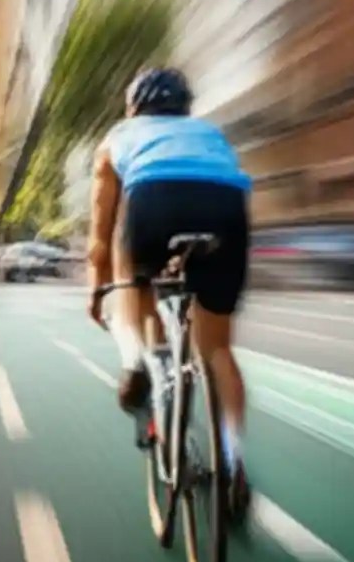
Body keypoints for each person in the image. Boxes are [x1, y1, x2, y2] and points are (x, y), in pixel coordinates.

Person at [86, 67, 253, 514]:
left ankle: (138, 362)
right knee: (218, 349)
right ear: (185, 107)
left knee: (130, 265)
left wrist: (97, 288)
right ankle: (233, 462)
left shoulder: (117, 138)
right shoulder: (210, 134)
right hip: (226, 211)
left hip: (154, 204)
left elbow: (100, 235)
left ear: (133, 108)